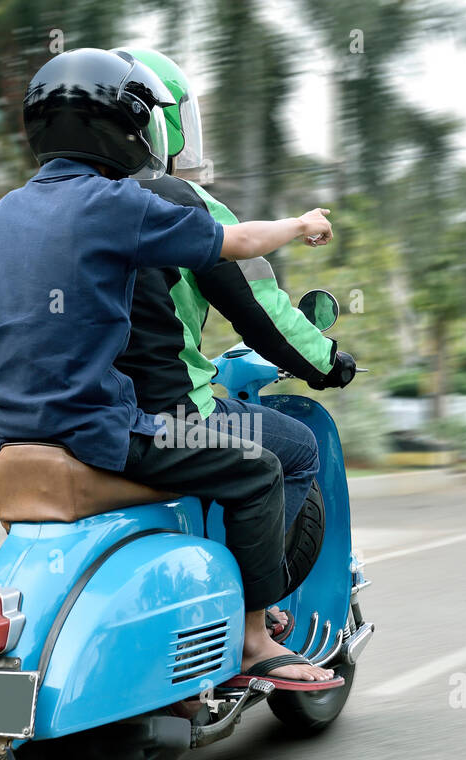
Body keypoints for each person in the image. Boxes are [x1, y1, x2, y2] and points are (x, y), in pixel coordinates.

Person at [0, 48, 335, 682]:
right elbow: (237, 246)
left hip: (9, 440)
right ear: (126, 127)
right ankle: (254, 638)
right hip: (104, 431)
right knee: (262, 466)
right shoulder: (115, 204)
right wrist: (302, 224)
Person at [111, 48, 357, 638]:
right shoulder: (178, 204)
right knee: (295, 449)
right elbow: (264, 314)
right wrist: (329, 364)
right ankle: (253, 617)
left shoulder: (52, 208)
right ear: (163, 122)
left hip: (73, 416)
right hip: (167, 417)